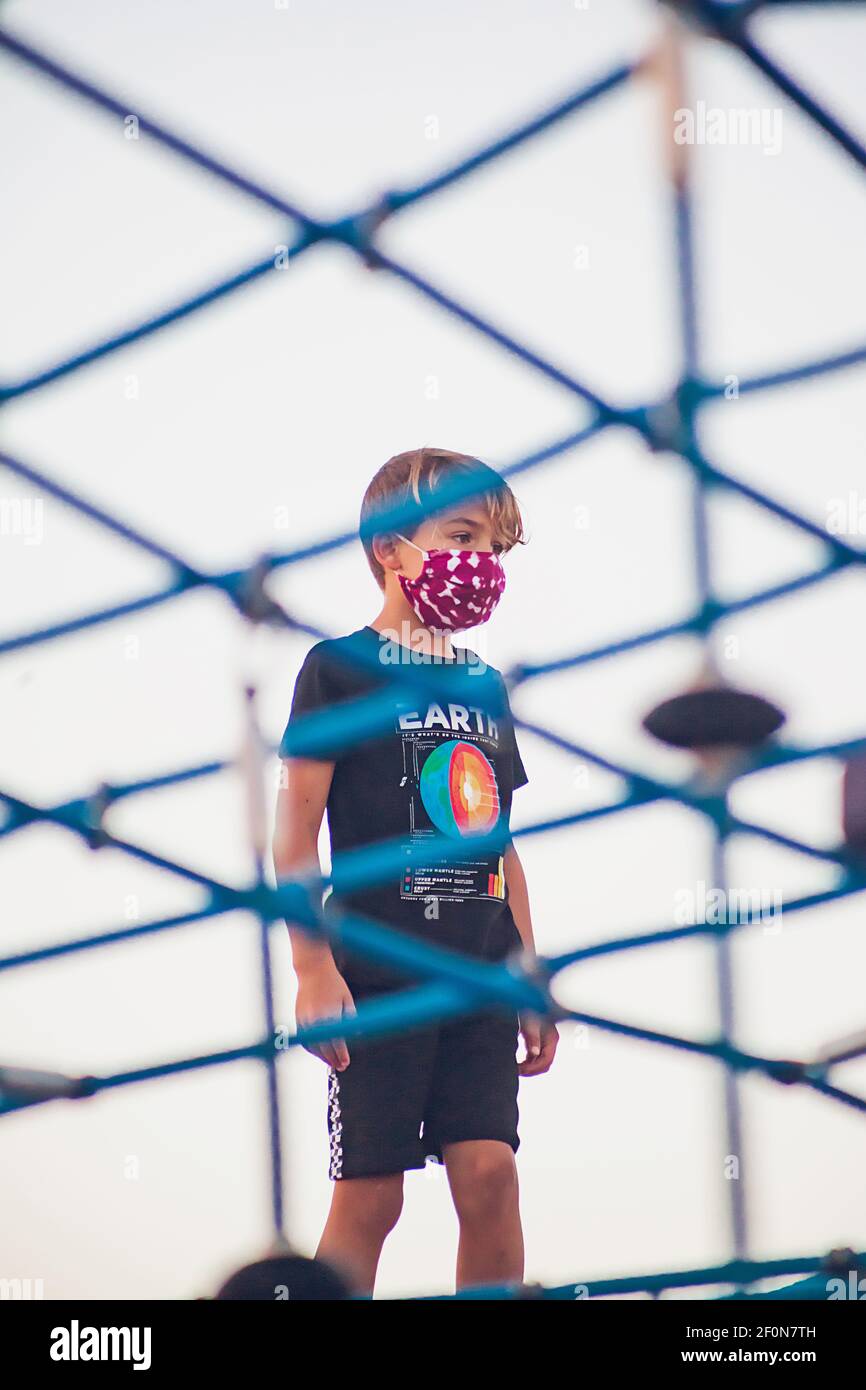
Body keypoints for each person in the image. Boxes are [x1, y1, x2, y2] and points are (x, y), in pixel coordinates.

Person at [272, 446, 558, 1296]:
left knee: (490, 1177)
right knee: (372, 1196)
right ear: (390, 549)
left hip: (479, 975)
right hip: (379, 975)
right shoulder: (336, 670)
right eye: (463, 534)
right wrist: (313, 969)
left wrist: (529, 972)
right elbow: (294, 841)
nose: (482, 563)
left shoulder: (483, 685)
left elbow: (498, 843)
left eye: (495, 549)